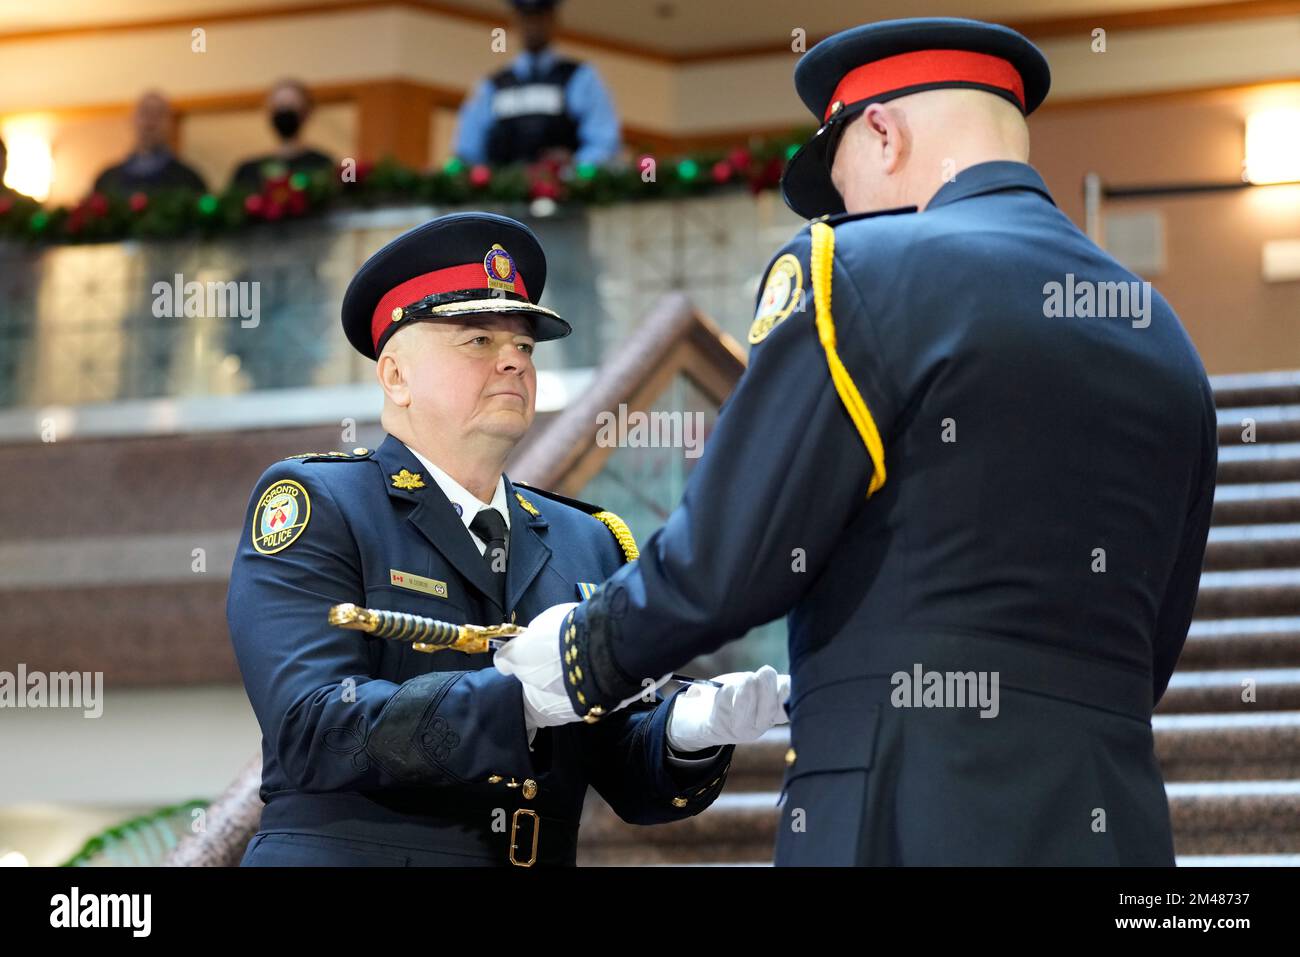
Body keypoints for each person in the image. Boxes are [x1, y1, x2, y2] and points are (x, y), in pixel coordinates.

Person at [498, 18, 1218, 866]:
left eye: (842, 187)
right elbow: (1155, 639)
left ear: (882, 131)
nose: (844, 213)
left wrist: (583, 652)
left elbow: (735, 552)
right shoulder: (1161, 332)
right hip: (1116, 820)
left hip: (907, 810)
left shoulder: (860, 269)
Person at [227, 212, 789, 867]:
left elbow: (620, 767)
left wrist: (688, 732)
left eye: (523, 346)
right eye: (477, 339)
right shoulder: (321, 505)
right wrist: (514, 701)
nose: (512, 361)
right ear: (395, 376)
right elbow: (314, 727)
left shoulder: (589, 541)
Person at [453, 0, 621, 167]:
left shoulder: (581, 78)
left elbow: (604, 144)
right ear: (515, 20)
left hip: (566, 190)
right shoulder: (491, 86)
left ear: (554, 19)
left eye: (540, 16)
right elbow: (467, 153)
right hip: (501, 191)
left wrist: (574, 168)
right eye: (526, 17)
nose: (533, 26)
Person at [92, 90, 207, 195]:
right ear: (132, 120)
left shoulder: (188, 180)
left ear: (171, 124)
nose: (151, 121)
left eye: (159, 114)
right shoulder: (108, 179)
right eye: (145, 112)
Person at [229, 78, 335, 191]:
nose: (284, 112)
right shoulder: (248, 171)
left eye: (291, 106)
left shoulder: (323, 167)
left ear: (307, 112)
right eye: (279, 106)